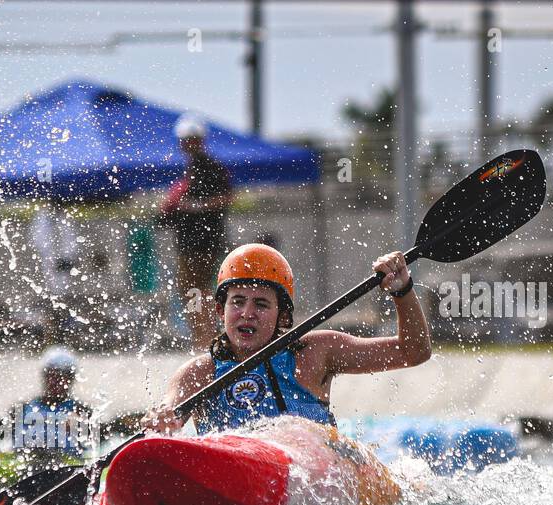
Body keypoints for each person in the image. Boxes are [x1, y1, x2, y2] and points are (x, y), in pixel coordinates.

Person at [143, 243, 431, 435]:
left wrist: (402, 291)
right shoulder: (199, 373)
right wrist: (162, 419)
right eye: (238, 302)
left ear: (282, 317)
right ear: (220, 310)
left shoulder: (316, 352)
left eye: (262, 304)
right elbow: (170, 411)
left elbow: (412, 352)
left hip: (313, 477)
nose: (247, 313)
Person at [155, 114, 233, 351]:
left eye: (191, 140)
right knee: (192, 290)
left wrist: (191, 207)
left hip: (204, 242)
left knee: (199, 289)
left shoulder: (211, 169)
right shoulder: (191, 171)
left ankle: (206, 338)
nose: (187, 145)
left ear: (200, 141)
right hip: (190, 242)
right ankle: (202, 336)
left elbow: (224, 199)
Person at [0, 347, 96, 466]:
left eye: (63, 376)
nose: (57, 381)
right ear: (45, 376)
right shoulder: (23, 410)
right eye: (52, 375)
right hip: (27, 465)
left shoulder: (81, 412)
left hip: (65, 465)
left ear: (71, 380)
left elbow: (101, 435)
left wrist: (82, 426)